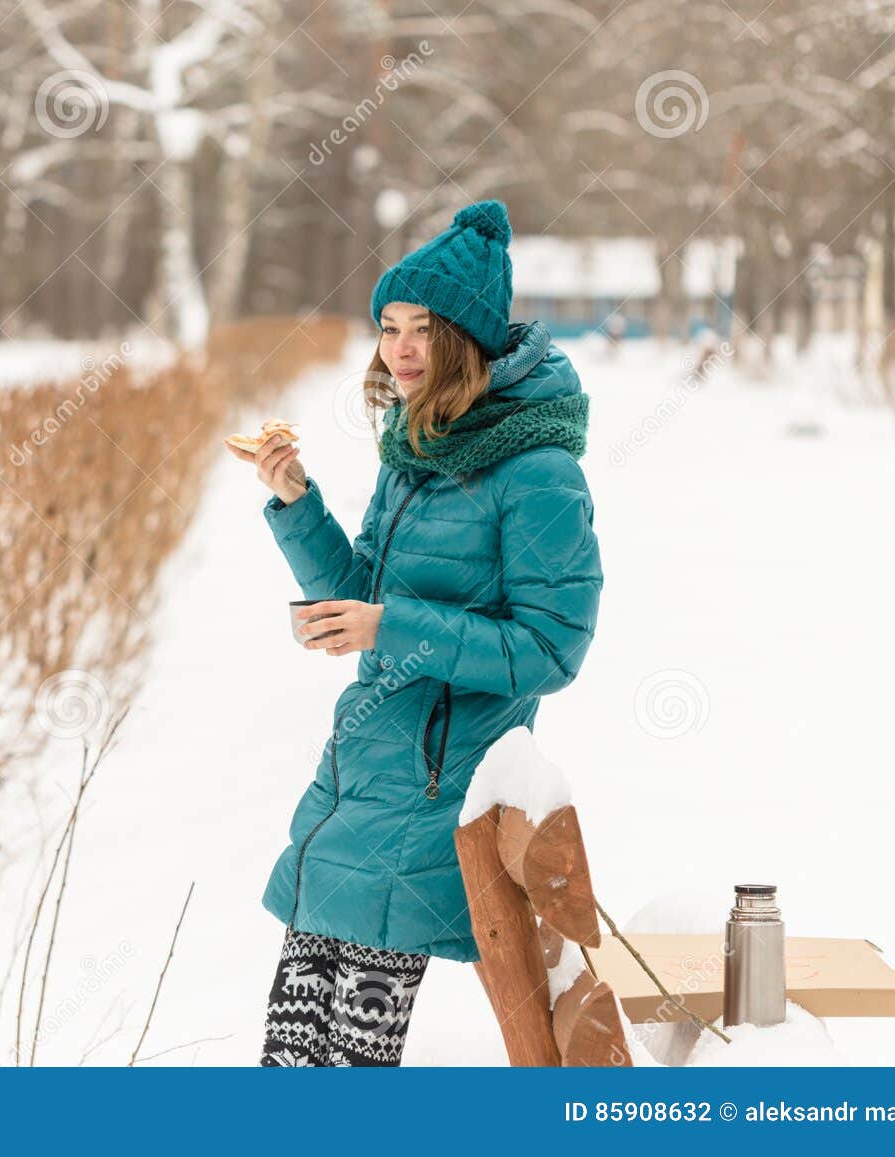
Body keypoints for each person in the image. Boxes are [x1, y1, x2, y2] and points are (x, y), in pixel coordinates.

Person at [222, 200, 604, 1067]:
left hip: (441, 784)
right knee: (290, 1055)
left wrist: (392, 627)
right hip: (363, 769)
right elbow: (362, 592)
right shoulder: (418, 446)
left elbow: (551, 648)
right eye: (388, 326)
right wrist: (294, 500)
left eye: (421, 329)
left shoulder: (537, 470)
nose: (398, 348)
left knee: (349, 1065)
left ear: (464, 339)